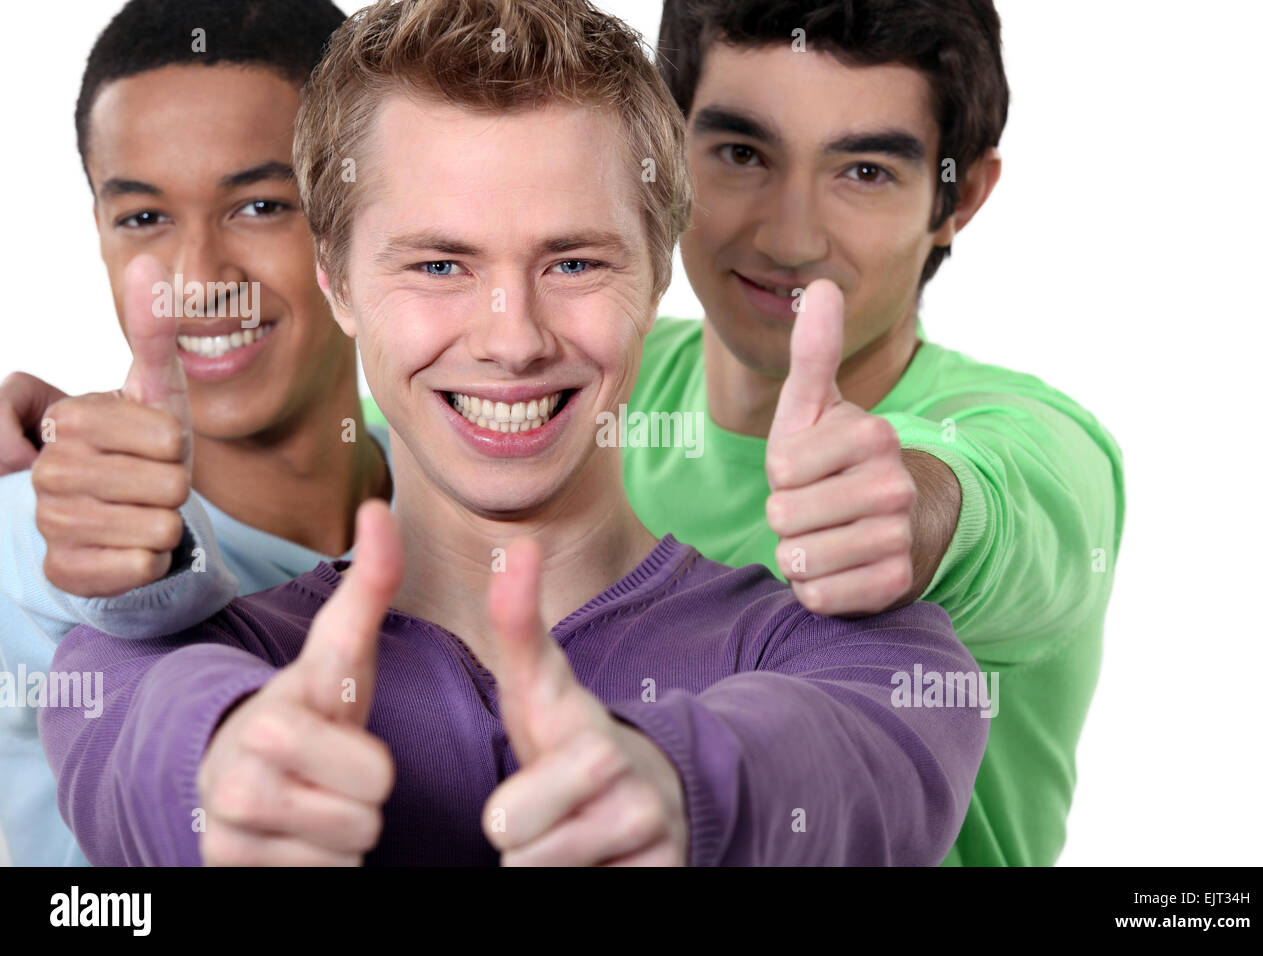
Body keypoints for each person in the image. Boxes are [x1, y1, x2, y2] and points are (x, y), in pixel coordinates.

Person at [40, 0, 987, 867]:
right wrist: (220, 771)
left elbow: (860, 753)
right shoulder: (169, 663)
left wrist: (677, 787)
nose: (514, 341)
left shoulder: (869, 661)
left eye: (573, 263)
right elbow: (132, 720)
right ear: (336, 278)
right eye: (440, 265)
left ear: (659, 270)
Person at [621, 0, 1126, 864]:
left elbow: (1013, 508)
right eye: (742, 153)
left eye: (863, 171)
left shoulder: (1042, 437)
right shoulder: (583, 378)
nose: (789, 237)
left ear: (960, 196)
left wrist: (918, 511)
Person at [0, 0, 391, 866]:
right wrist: (140, 554)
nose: (197, 281)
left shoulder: (463, 486)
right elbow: (78, 567)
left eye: (260, 206)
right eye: (144, 218)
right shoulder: (34, 526)